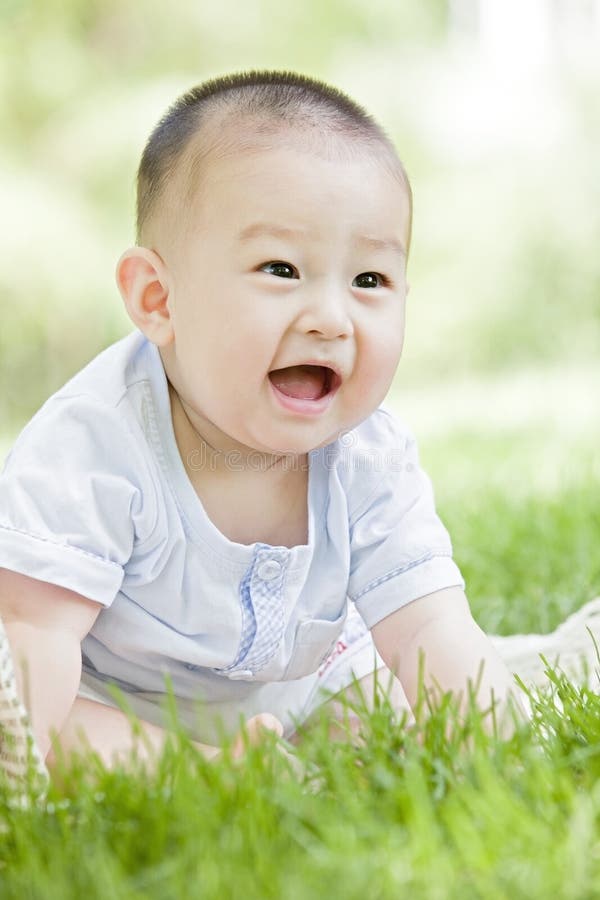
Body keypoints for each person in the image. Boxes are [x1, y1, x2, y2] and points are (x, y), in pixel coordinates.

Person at [0, 71, 516, 779]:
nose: (331, 318)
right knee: (50, 736)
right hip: (114, 695)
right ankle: (207, 769)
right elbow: (33, 638)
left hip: (300, 682)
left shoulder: (368, 454)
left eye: (369, 280)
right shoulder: (92, 446)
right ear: (159, 300)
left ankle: (286, 760)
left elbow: (428, 622)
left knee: (387, 718)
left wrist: (508, 751)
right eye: (281, 268)